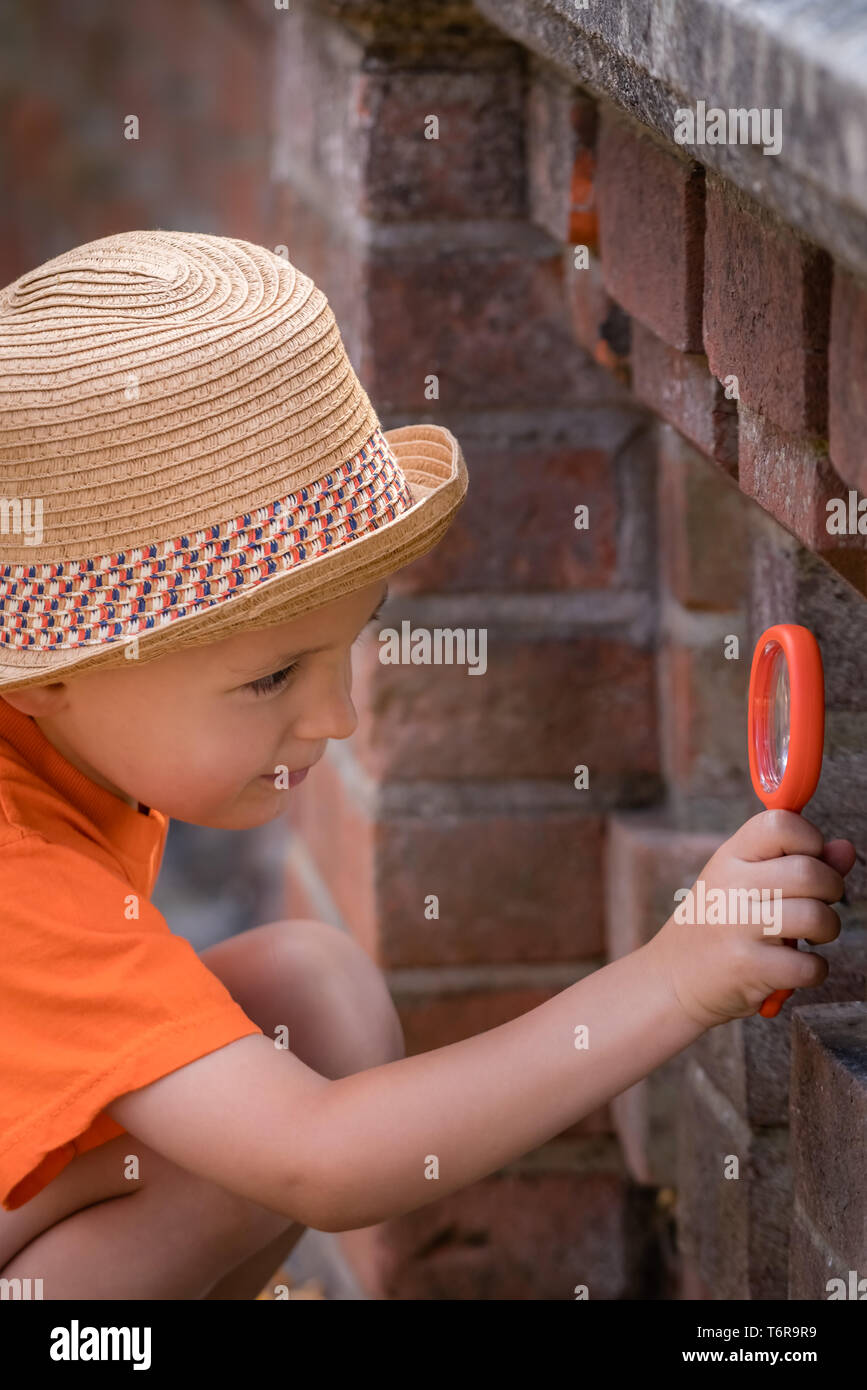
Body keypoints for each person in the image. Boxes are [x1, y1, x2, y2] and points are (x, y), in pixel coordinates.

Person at [0, 231, 854, 1299]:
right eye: (271, 678)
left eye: (349, 641)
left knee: (312, 999)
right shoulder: (19, 876)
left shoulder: (64, 741)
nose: (340, 718)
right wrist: (674, 978)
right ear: (43, 675)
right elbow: (319, 1160)